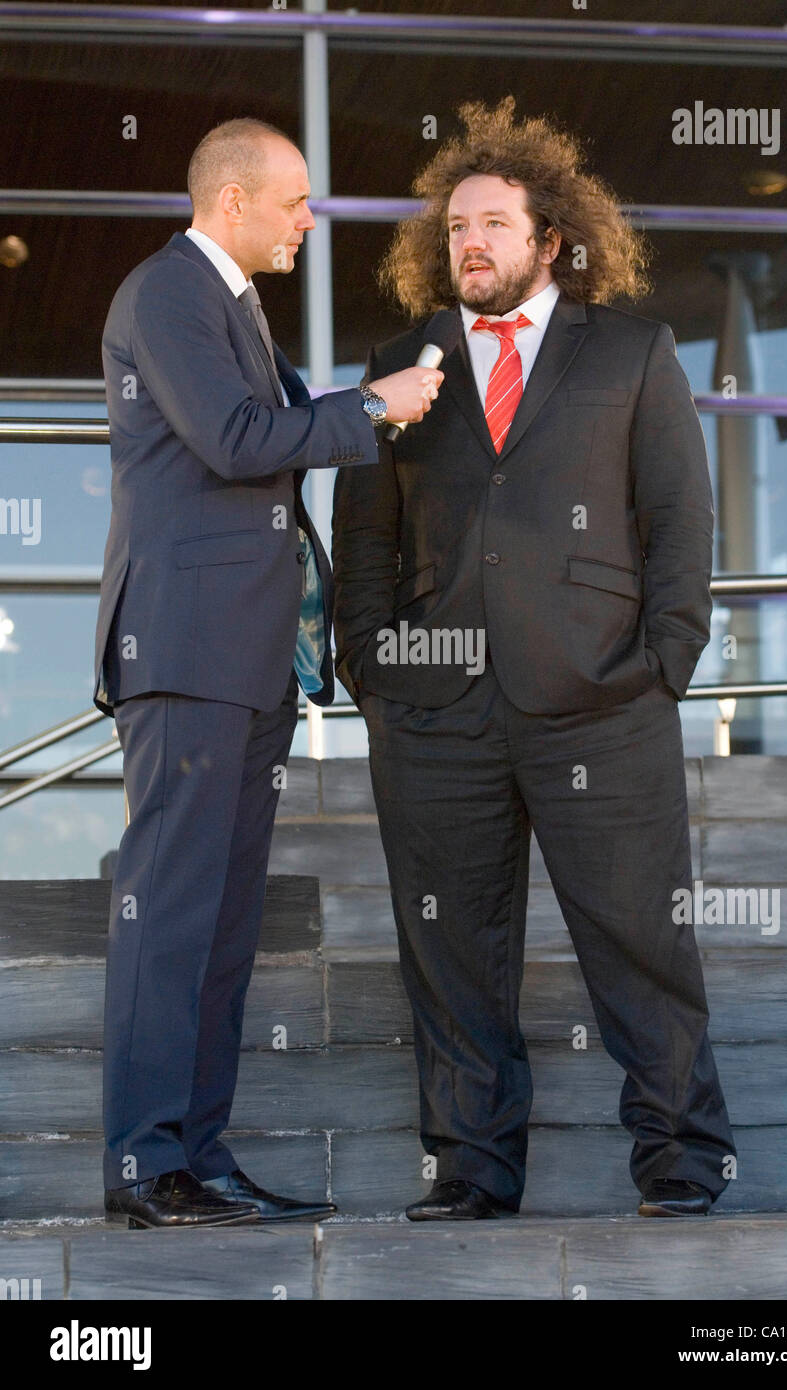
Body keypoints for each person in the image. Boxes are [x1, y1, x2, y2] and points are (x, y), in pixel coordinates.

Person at [333, 98, 736, 1222]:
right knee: (449, 950)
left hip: (600, 698)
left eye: (492, 223)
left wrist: (663, 658)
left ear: (550, 238)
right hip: (432, 706)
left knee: (639, 939)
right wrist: (370, 667)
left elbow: (677, 518)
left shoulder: (632, 352)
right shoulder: (398, 363)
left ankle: (680, 1156)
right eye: (455, 225)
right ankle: (470, 1166)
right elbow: (363, 536)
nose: (469, 241)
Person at [94, 117, 442, 1229]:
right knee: (174, 914)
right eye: (296, 201)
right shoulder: (167, 292)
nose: (309, 220)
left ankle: (199, 1155)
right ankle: (147, 1166)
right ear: (231, 201)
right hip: (186, 650)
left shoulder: (233, 307)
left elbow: (269, 437)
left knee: (222, 923)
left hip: (246, 657)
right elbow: (241, 441)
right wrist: (373, 409)